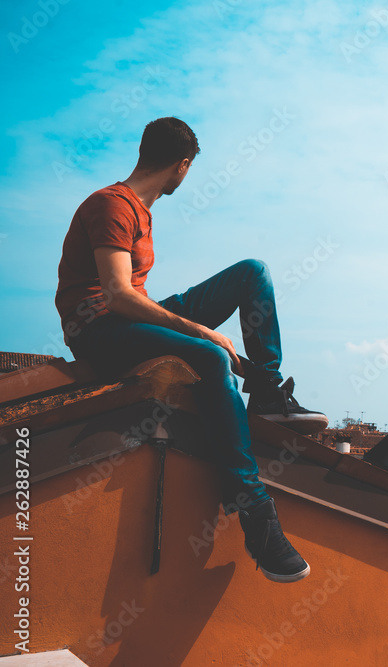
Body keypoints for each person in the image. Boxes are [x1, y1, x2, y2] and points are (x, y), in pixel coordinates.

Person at [55, 117, 326, 582]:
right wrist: (201, 332)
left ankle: (264, 390)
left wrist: (192, 325)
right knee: (211, 356)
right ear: (182, 165)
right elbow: (118, 295)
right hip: (98, 332)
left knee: (252, 272)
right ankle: (254, 512)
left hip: (124, 317)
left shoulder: (140, 209)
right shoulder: (112, 205)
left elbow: (132, 301)